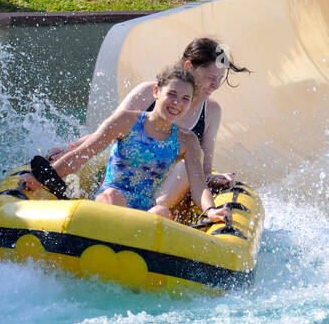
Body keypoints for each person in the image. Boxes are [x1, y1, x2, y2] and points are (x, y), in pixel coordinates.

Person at [49, 36, 249, 211]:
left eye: (220, 79)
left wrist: (213, 183)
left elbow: (203, 169)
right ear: (188, 67)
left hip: (161, 197)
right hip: (122, 183)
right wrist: (70, 148)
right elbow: (106, 132)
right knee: (115, 195)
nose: (215, 85)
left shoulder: (210, 113)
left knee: (178, 179)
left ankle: (152, 213)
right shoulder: (147, 94)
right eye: (210, 78)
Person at [23, 66, 228, 222]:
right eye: (172, 94)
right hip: (108, 200)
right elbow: (83, 154)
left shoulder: (187, 141)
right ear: (156, 91)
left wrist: (210, 211)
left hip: (145, 211)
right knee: (113, 197)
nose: (177, 103)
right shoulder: (126, 121)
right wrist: (41, 178)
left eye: (185, 98)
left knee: (162, 212)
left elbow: (198, 185)